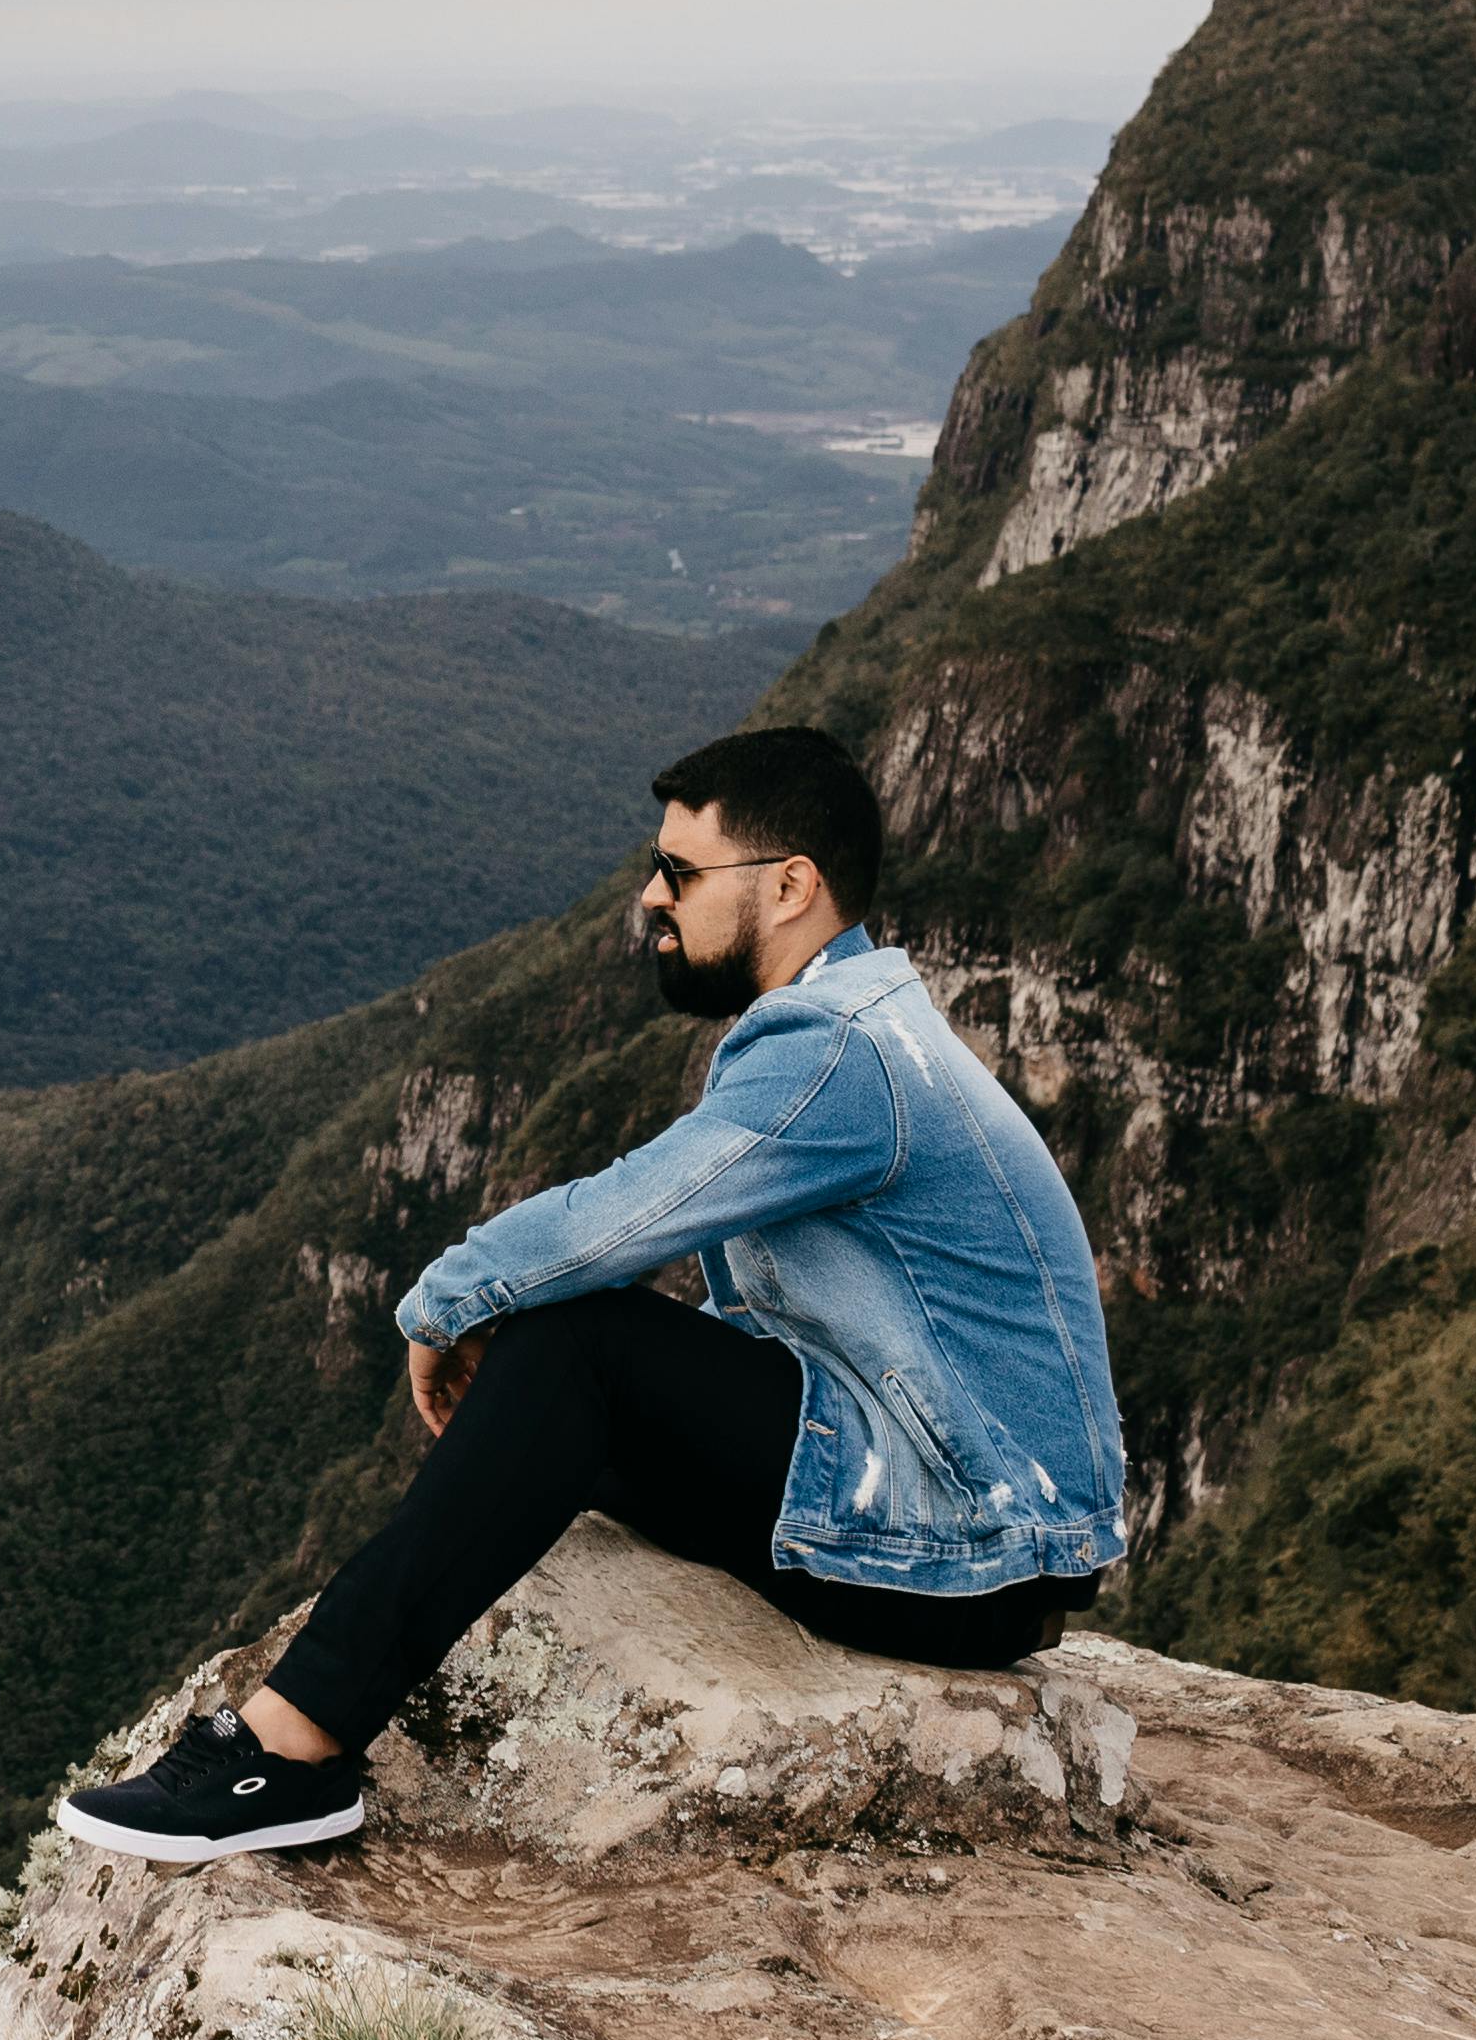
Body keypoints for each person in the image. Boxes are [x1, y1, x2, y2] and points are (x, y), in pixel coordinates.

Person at [57, 724, 1127, 1863]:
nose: (651, 898)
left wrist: (444, 1303)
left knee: (579, 1345)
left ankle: (296, 1748)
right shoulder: (862, 1027)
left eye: (681, 873)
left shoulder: (837, 1054)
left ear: (791, 886)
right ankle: (323, 1701)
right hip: (979, 1524)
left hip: (970, 1546)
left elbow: (623, 1215)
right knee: (554, 1404)